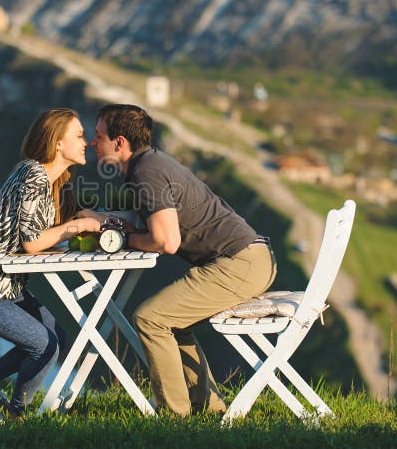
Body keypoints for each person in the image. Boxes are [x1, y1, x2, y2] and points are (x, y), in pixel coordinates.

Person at [81, 103, 277, 417]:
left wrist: (123, 240)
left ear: (119, 143)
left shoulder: (147, 172)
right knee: (173, 322)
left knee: (150, 318)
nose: (93, 142)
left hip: (238, 263)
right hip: (248, 258)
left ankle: (175, 416)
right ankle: (208, 408)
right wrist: (111, 223)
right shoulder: (150, 164)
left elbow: (166, 242)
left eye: (99, 135)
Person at [0, 108, 101, 418]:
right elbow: (32, 243)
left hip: (4, 287)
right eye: (79, 136)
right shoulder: (33, 175)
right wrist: (79, 227)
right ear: (57, 142)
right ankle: (18, 415)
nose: (88, 142)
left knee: (57, 337)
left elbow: (38, 236)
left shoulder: (48, 179)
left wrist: (86, 222)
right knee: (45, 346)